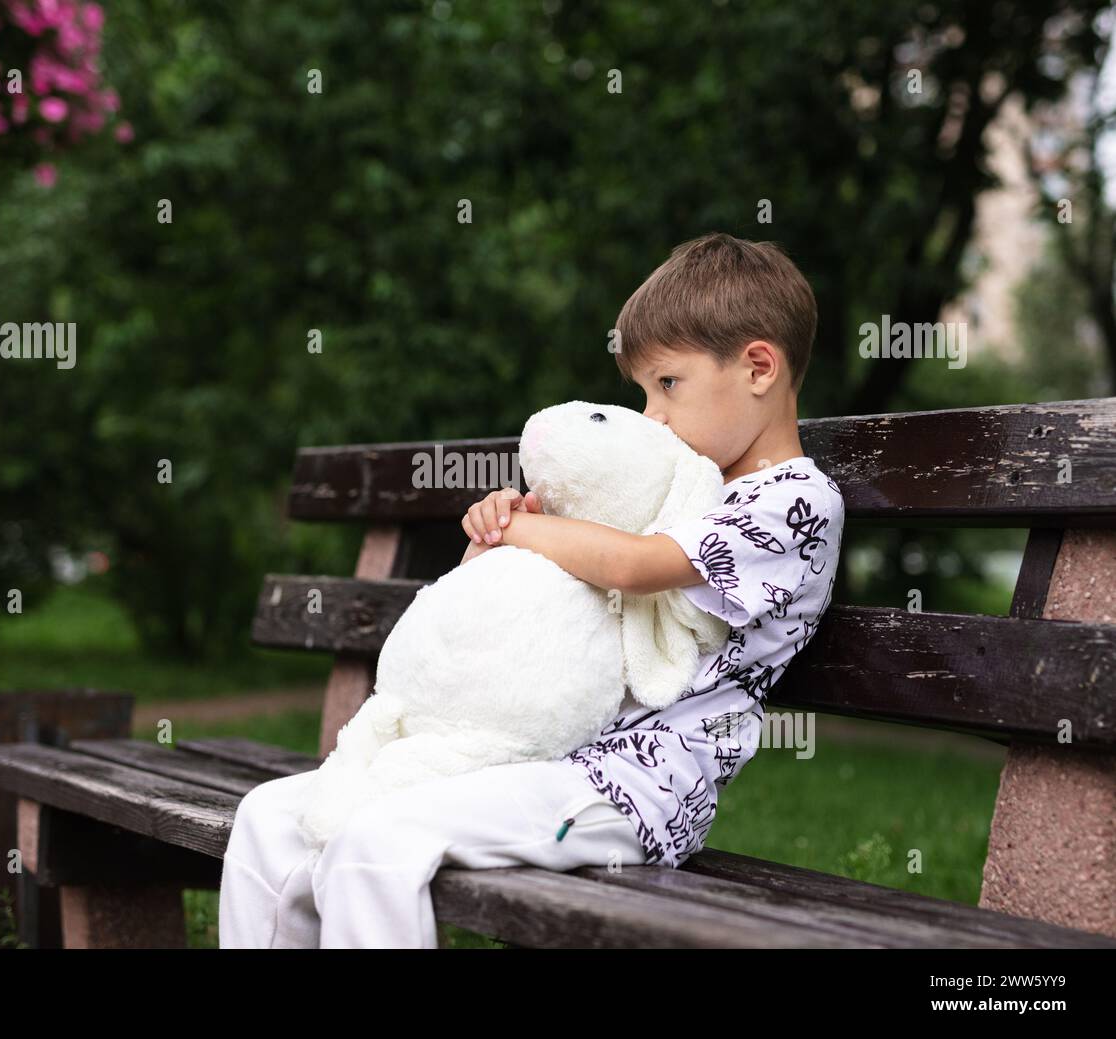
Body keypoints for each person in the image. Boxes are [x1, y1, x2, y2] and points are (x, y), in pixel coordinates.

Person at [218, 232, 844, 947]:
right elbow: (544, 592)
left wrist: (528, 533)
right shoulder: (679, 481)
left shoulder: (794, 503)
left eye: (667, 384)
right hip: (538, 752)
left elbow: (636, 567)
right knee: (271, 817)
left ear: (759, 366)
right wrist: (498, 532)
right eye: (642, 392)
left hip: (631, 792)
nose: (652, 417)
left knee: (378, 840)